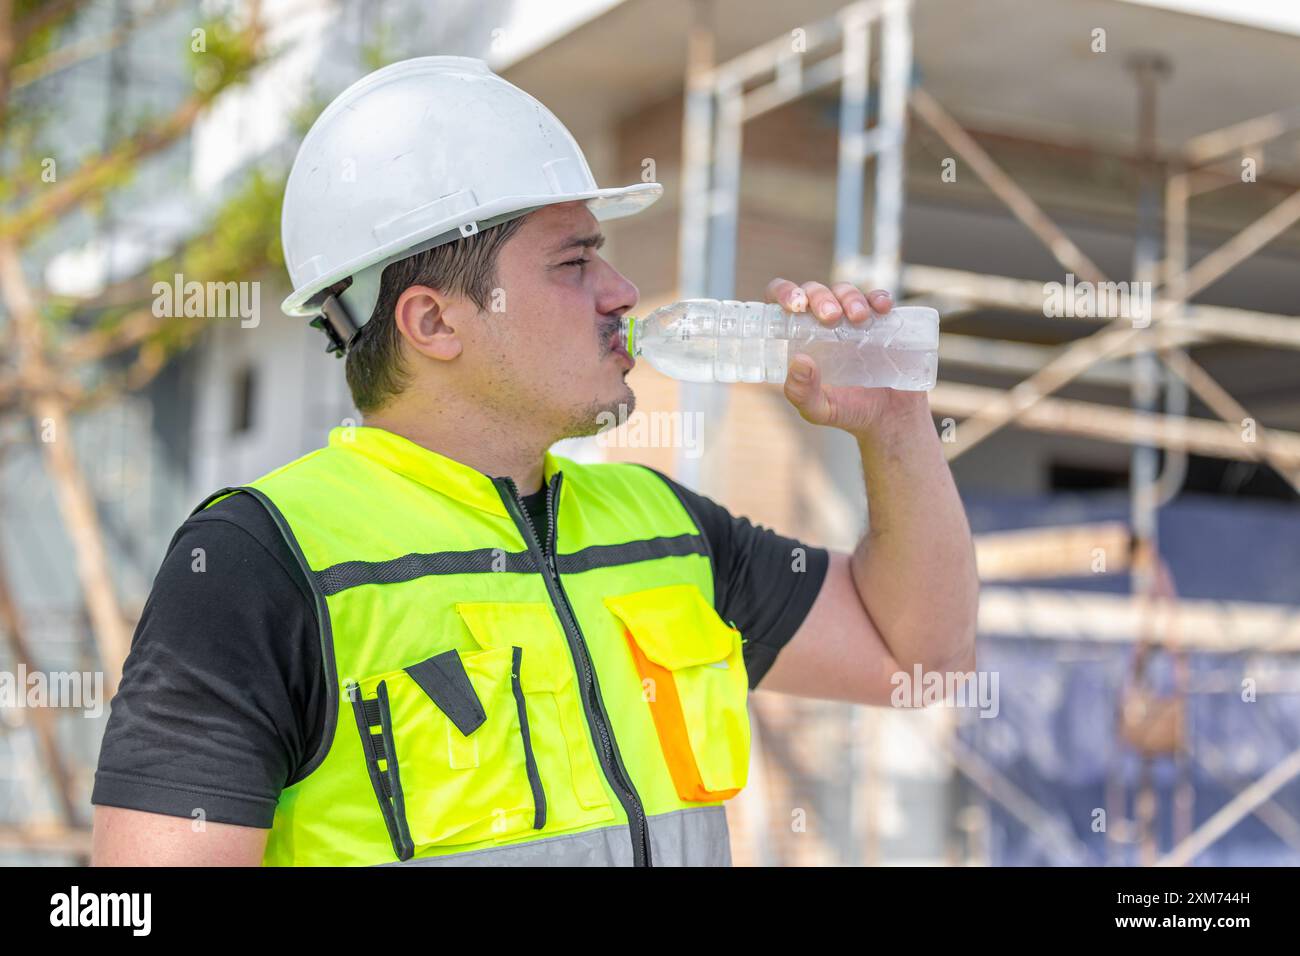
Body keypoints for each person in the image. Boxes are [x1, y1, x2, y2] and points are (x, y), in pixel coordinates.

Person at [91, 57, 978, 866]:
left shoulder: (660, 525)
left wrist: (892, 425)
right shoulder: (260, 562)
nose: (622, 293)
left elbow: (918, 658)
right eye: (574, 261)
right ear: (435, 323)